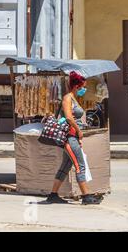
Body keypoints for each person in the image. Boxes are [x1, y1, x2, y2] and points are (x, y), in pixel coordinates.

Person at [45, 71, 102, 205]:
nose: (84, 89)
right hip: (70, 137)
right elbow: (69, 117)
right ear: (76, 86)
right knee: (80, 165)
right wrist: (78, 131)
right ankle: (86, 196)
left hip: (73, 136)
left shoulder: (73, 98)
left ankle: (53, 195)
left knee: (65, 166)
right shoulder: (68, 98)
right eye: (83, 87)